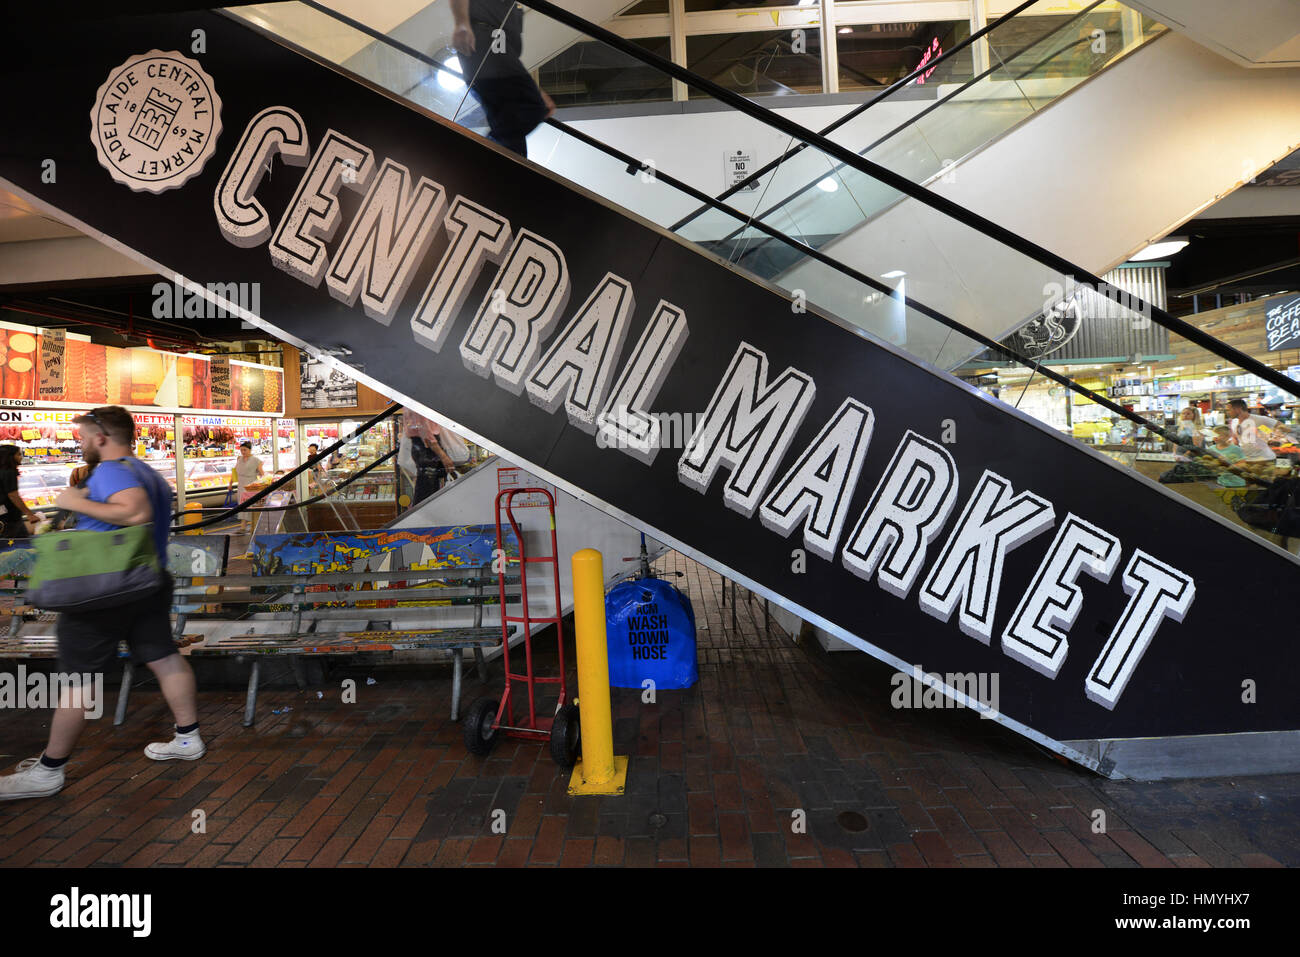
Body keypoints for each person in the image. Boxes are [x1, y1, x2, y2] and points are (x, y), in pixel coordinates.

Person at [0, 406, 204, 801]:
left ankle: (49, 771)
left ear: (101, 437)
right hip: (148, 579)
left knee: (78, 678)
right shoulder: (148, 472)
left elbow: (134, 511)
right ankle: (186, 737)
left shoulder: (110, 470)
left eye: (82, 436)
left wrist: (73, 503)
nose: (79, 442)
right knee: (163, 656)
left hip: (103, 589)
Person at [451, 0, 555, 158]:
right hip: (486, 39)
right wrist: (462, 23)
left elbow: (508, 56)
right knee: (533, 108)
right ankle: (476, 155)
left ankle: (495, 167)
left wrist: (536, 90)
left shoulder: (514, 8)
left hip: (496, 48)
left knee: (513, 137)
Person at [0, 445, 38, 539]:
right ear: (10, 456)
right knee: (21, 543)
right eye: (19, 454)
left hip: (3, 516)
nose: (21, 457)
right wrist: (29, 514)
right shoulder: (9, 472)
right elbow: (13, 495)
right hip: (10, 517)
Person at [228, 440, 265, 533]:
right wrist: (230, 483)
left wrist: (262, 484)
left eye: (245, 450)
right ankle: (243, 527)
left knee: (251, 505)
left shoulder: (256, 460)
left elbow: (261, 473)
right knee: (241, 505)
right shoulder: (239, 459)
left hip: (251, 485)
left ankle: (253, 526)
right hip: (241, 484)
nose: (243, 452)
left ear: (250, 450)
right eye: (241, 450)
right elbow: (235, 472)